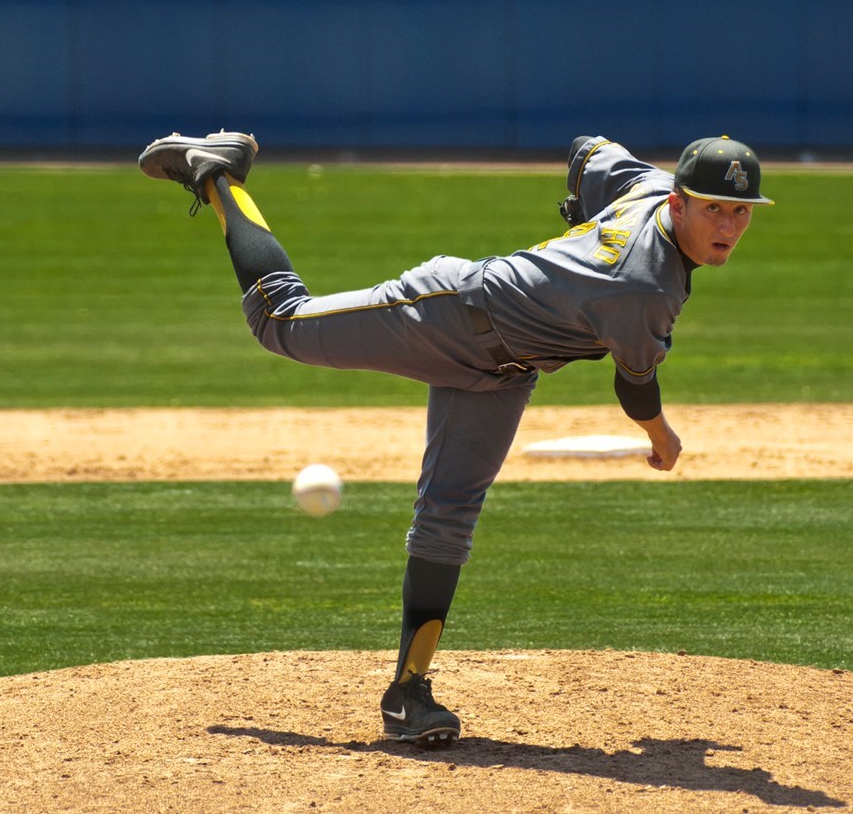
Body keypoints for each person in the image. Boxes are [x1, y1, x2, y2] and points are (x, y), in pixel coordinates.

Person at [138, 129, 773, 746]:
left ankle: (408, 696)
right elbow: (635, 391)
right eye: (713, 208)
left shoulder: (646, 187)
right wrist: (662, 439)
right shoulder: (643, 288)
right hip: (447, 313)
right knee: (282, 321)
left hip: (503, 374)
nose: (727, 225)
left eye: (740, 212)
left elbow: (590, 150)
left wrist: (579, 231)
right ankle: (216, 172)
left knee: (448, 520)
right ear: (678, 202)